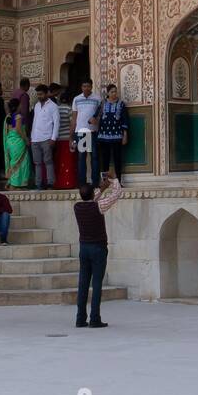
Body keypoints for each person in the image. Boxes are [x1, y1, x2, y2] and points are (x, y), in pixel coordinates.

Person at [73, 173, 122, 329]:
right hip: (98, 248)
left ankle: (80, 318)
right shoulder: (98, 206)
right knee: (96, 284)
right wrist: (114, 180)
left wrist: (102, 188)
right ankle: (95, 318)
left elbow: (91, 198)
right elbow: (117, 194)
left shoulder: (77, 207)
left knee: (83, 284)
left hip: (84, 248)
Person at [96, 84, 130, 185]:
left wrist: (125, 135)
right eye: (112, 92)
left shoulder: (121, 104)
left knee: (117, 160)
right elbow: (96, 115)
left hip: (117, 136)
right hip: (103, 136)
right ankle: (104, 182)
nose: (114, 94)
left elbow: (125, 120)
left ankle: (118, 182)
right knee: (104, 160)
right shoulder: (102, 104)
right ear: (107, 93)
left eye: (115, 91)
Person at [71, 79, 102, 187]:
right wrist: (72, 136)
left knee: (95, 157)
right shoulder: (76, 99)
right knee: (82, 158)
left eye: (88, 86)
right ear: (81, 87)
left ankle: (95, 182)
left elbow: (101, 115)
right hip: (81, 132)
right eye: (84, 86)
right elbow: (74, 118)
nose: (86, 88)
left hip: (93, 131)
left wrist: (97, 120)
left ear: (92, 86)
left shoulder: (97, 98)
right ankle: (82, 183)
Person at [31, 84, 59, 189]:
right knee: (37, 163)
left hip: (47, 138)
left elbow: (56, 123)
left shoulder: (53, 106)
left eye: (41, 94)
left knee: (48, 161)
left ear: (46, 93)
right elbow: (35, 122)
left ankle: (50, 183)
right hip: (35, 138)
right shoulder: (37, 106)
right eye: (38, 94)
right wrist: (32, 137)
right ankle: (38, 184)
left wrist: (53, 138)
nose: (39, 96)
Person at [3, 101, 31, 189]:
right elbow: (19, 130)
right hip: (18, 142)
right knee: (23, 162)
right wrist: (26, 140)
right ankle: (18, 184)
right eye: (20, 105)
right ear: (17, 106)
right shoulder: (18, 116)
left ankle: (12, 183)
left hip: (10, 142)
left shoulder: (8, 117)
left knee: (13, 162)